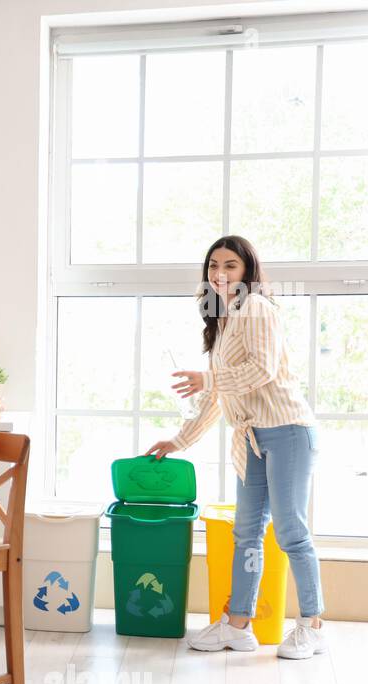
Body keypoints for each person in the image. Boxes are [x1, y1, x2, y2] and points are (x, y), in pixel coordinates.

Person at [145, 235, 325, 660]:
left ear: (247, 271)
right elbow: (217, 396)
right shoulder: (224, 319)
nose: (220, 274)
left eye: (230, 266)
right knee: (246, 532)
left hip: (287, 431)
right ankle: (237, 624)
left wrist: (208, 380)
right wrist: (179, 440)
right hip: (253, 438)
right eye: (213, 266)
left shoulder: (258, 308)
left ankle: (313, 624)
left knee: (291, 531)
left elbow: (260, 370)